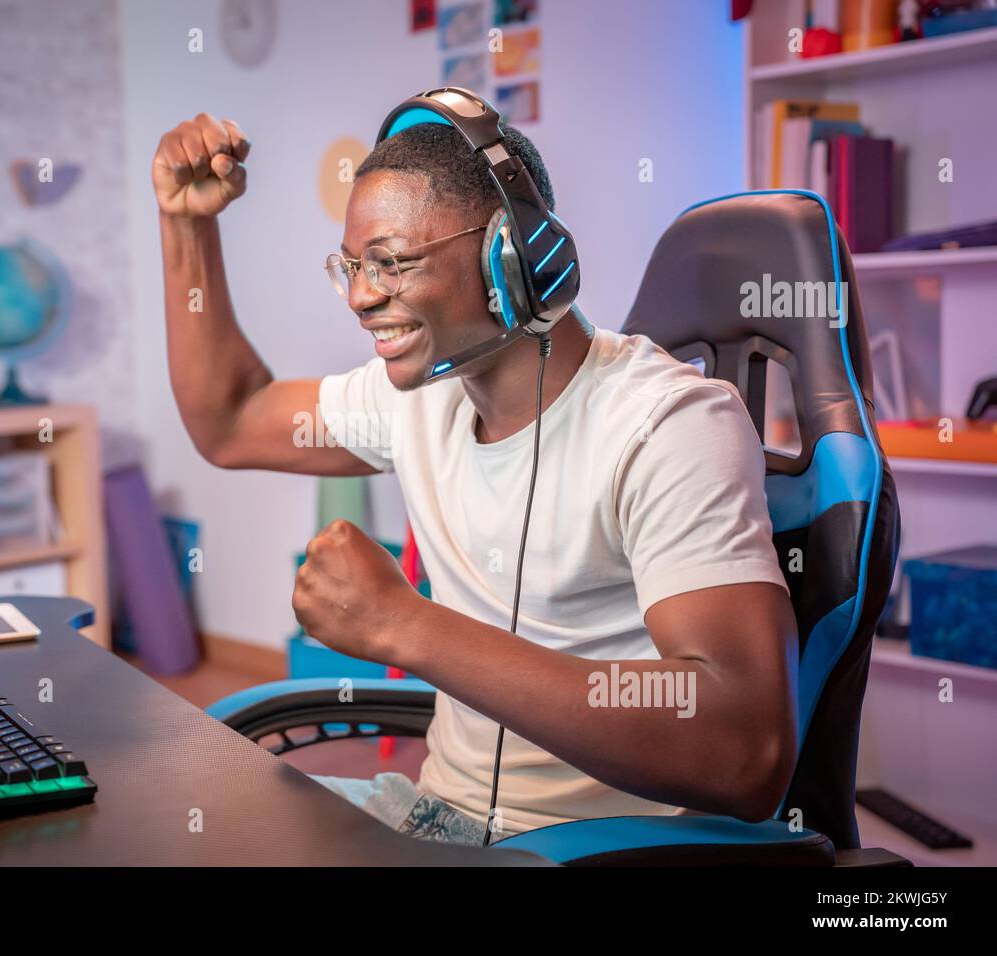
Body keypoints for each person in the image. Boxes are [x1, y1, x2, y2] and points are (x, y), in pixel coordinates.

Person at [153, 110, 798, 845]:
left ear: (511, 259)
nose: (363, 296)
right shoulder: (421, 391)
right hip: (436, 823)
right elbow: (232, 420)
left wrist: (405, 625)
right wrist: (185, 226)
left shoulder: (666, 425)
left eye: (391, 262)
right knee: (172, 825)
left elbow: (748, 750)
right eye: (352, 267)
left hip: (605, 851)